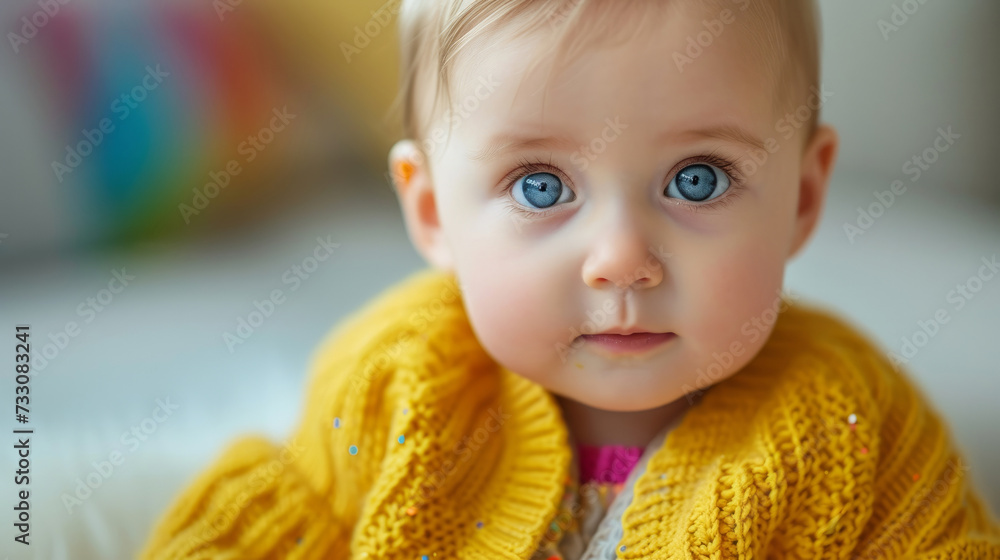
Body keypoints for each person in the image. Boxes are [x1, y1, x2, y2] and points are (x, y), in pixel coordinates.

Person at [141, 1, 1000, 558]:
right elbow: (262, 528)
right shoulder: (397, 381)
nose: (620, 257)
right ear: (433, 213)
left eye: (697, 178)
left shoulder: (852, 422)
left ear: (803, 198)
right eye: (541, 188)